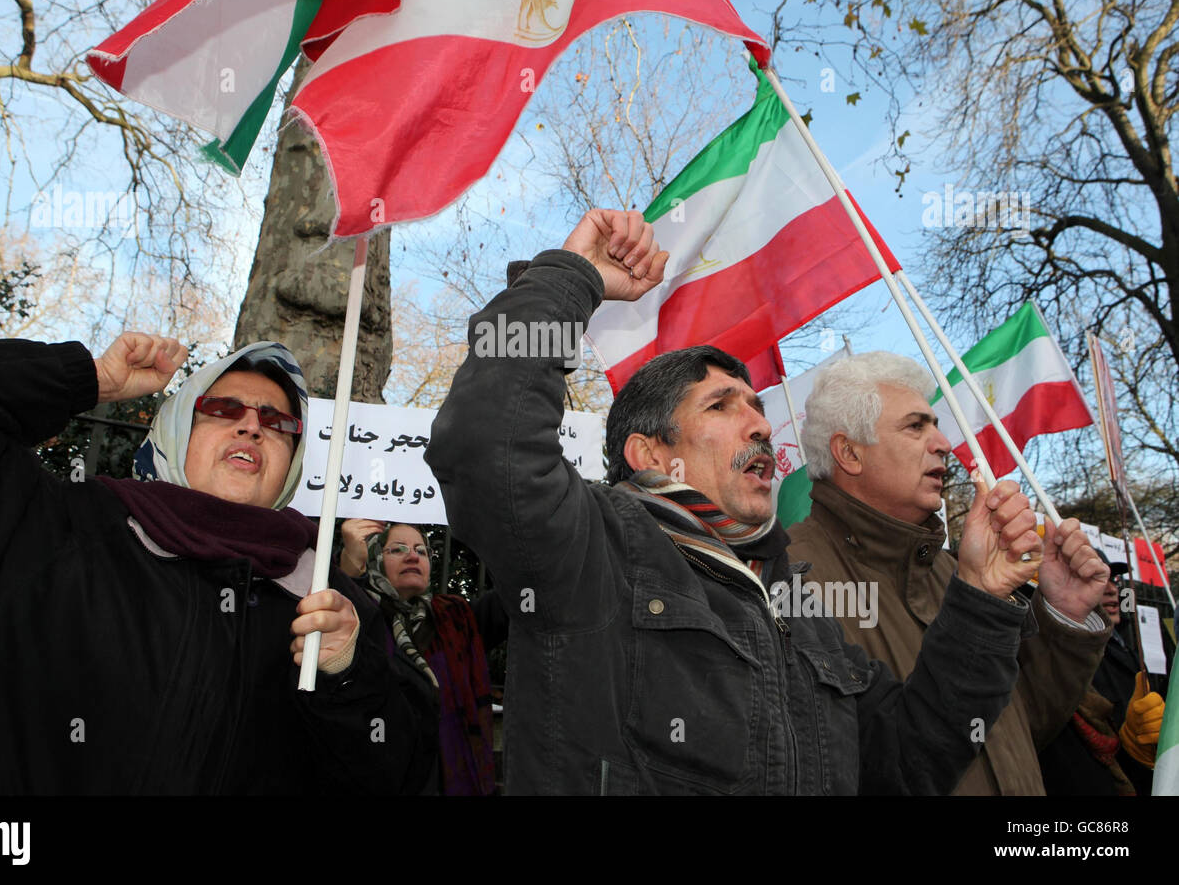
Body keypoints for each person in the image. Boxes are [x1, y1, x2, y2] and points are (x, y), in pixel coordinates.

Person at [425, 208, 1055, 795]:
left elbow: (911, 761)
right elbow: (486, 444)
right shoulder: (593, 549)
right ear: (647, 454)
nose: (758, 424)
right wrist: (569, 278)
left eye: (756, 407)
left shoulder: (796, 603)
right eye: (721, 406)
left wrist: (981, 596)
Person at [0, 333, 434, 793]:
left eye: (278, 421)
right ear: (172, 428)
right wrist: (87, 378)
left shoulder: (329, 603)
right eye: (221, 408)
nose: (252, 426)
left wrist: (348, 679)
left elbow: (397, 774)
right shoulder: (45, 526)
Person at [786, 351, 1109, 795]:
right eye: (916, 426)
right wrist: (976, 601)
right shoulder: (792, 583)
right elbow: (876, 769)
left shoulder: (954, 569)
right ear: (849, 453)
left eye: (935, 424)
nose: (942, 442)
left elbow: (1013, 730)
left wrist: (1063, 617)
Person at [337, 519, 498, 795]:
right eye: (397, 549)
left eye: (421, 551)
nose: (412, 555)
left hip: (451, 778)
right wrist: (350, 566)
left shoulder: (456, 618)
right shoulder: (353, 614)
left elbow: (517, 597)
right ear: (373, 558)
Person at [1039, 563, 1169, 795]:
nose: (1111, 589)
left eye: (1114, 580)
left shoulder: (1127, 646)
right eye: (1096, 578)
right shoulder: (1068, 658)